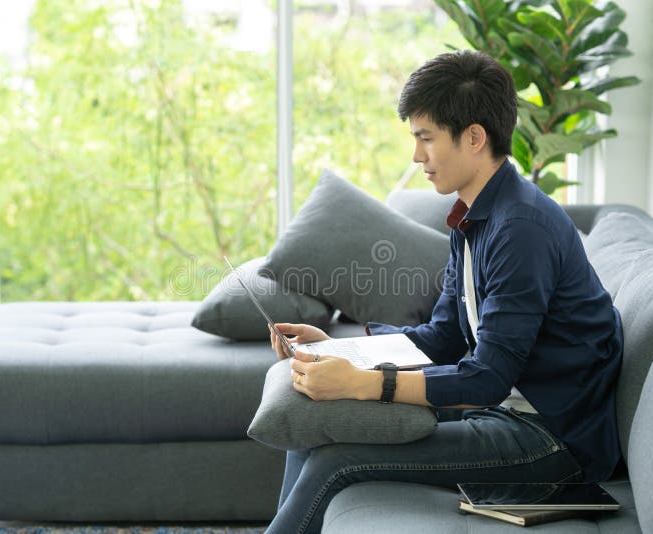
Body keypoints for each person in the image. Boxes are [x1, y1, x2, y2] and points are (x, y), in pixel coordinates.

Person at [265, 50, 623, 534]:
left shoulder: (521, 230)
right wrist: (341, 349)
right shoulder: (472, 217)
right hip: (499, 414)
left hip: (549, 440)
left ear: (474, 137)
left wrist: (361, 382)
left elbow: (487, 378)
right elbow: (443, 337)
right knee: (317, 423)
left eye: (425, 138)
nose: (417, 157)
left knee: (337, 460)